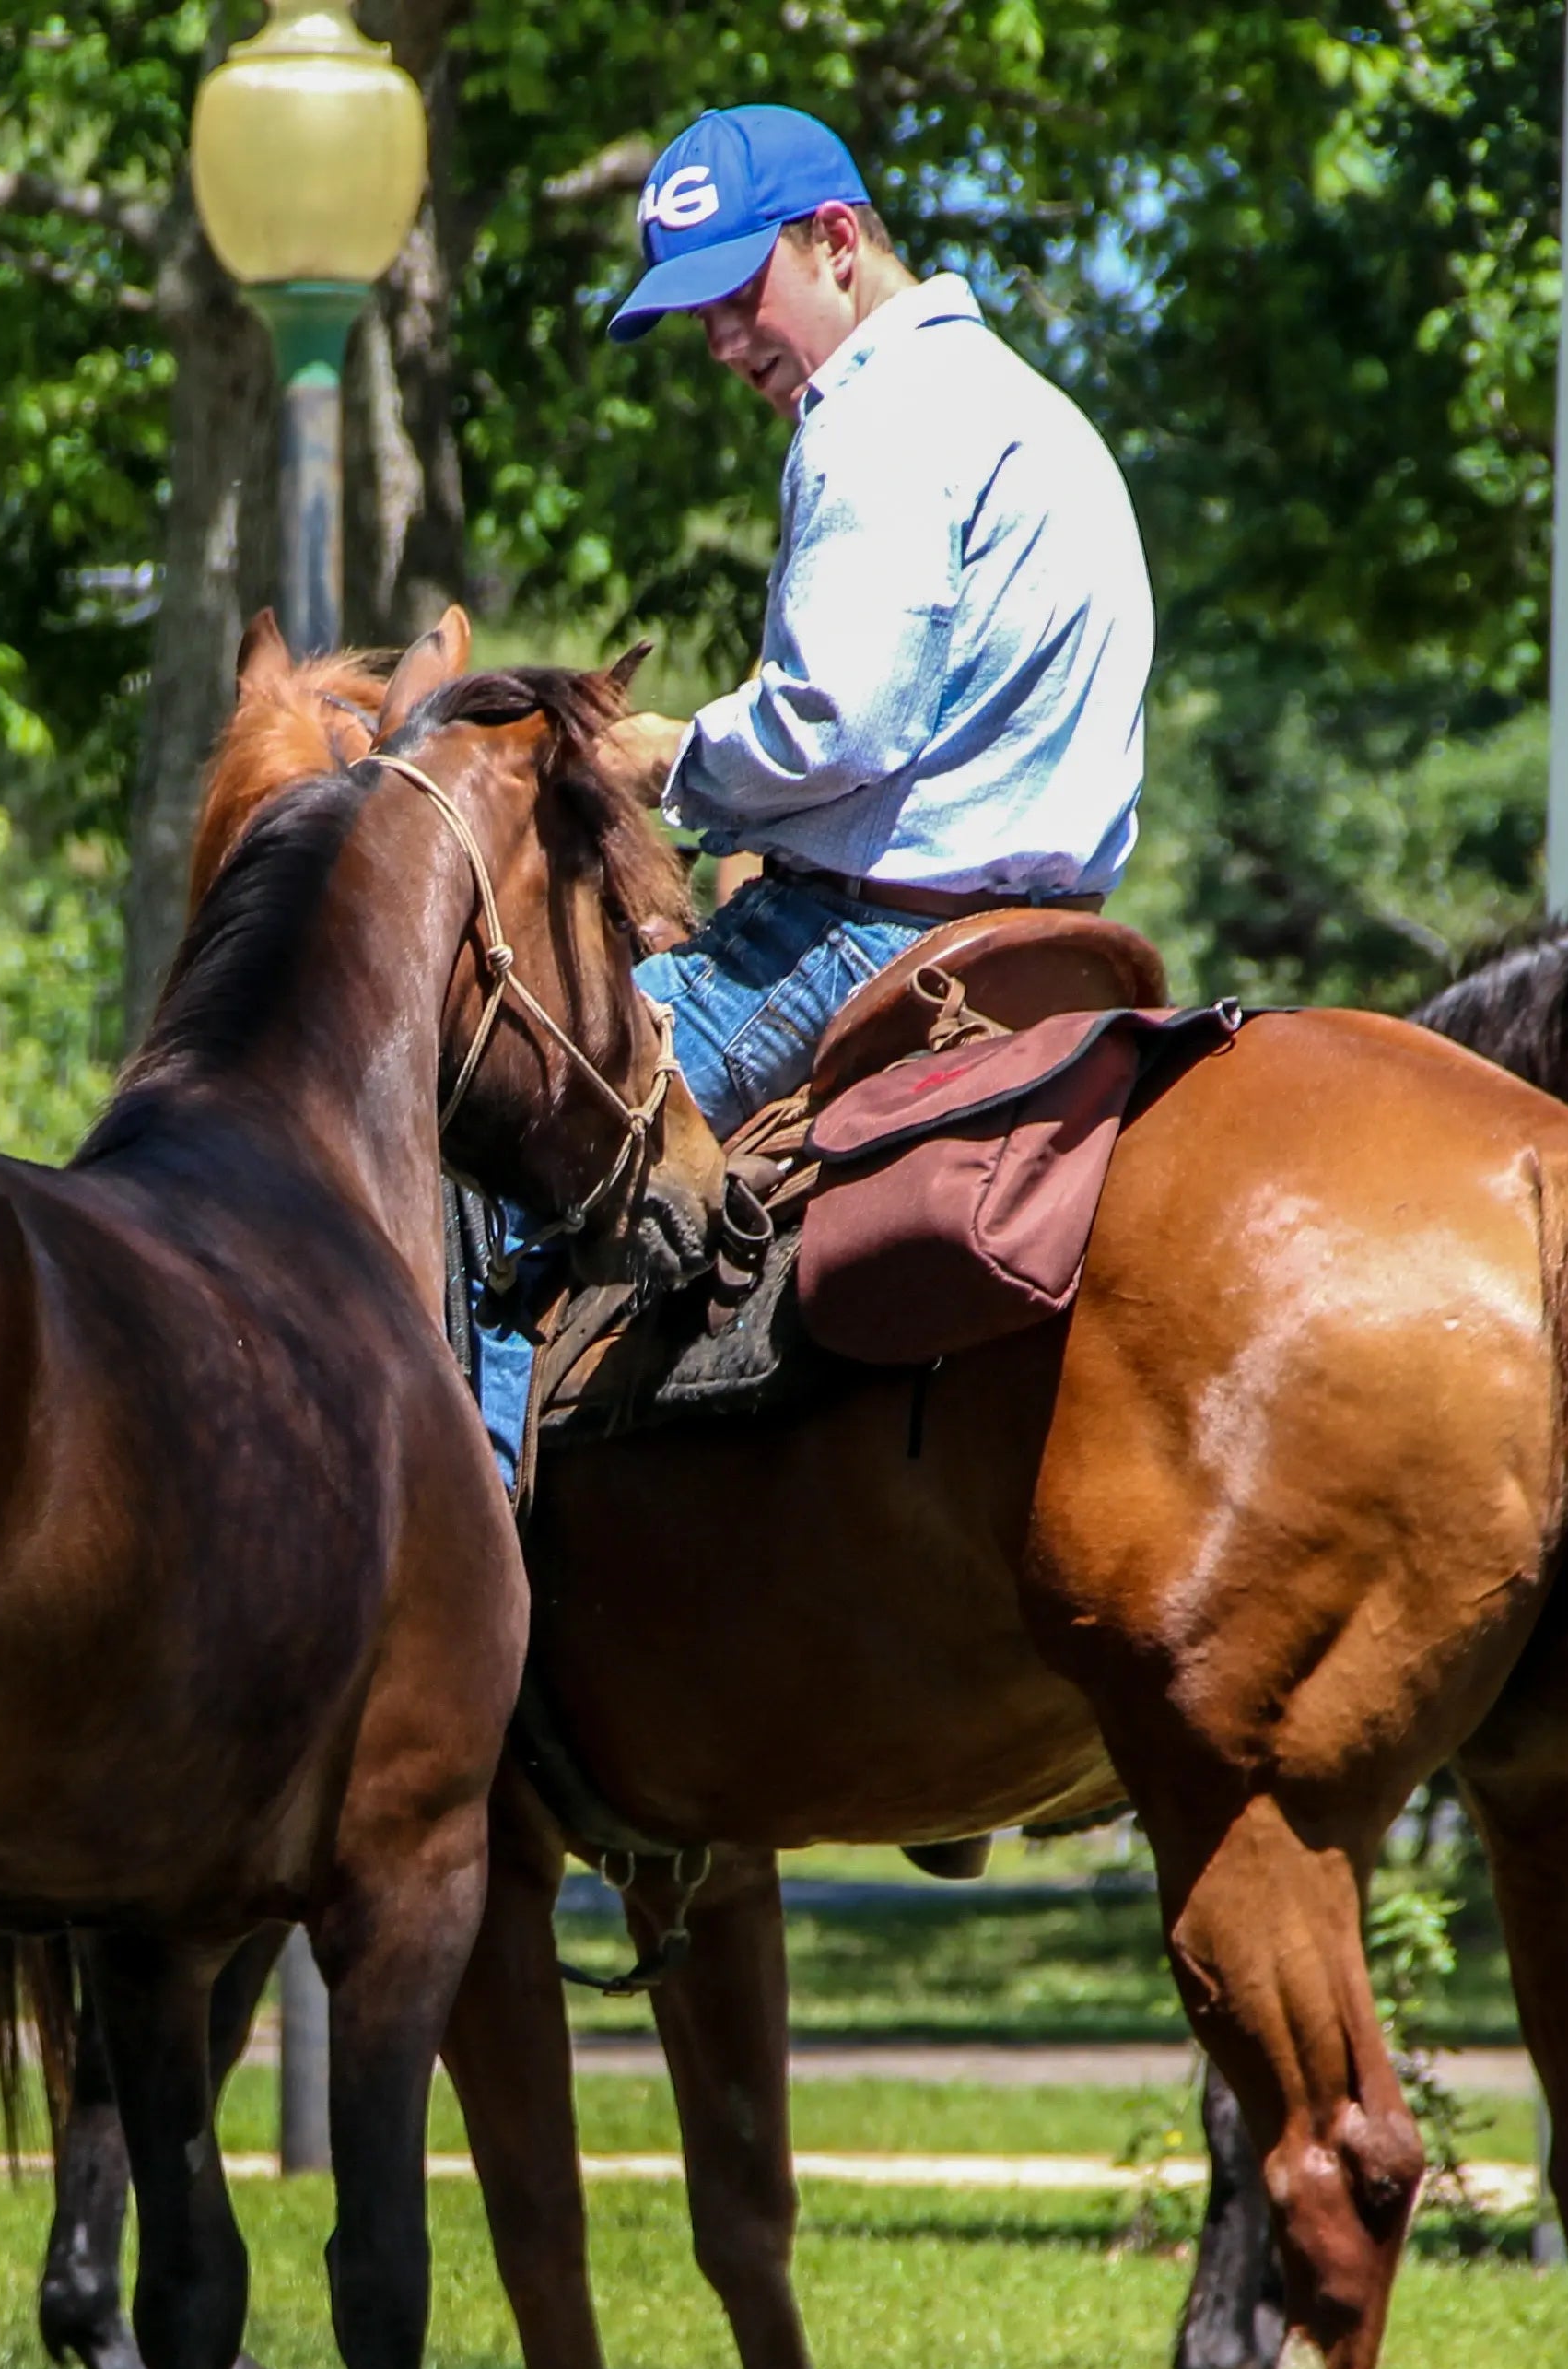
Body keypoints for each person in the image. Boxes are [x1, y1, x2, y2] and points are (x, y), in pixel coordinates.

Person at [473, 102, 1154, 1483]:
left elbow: (833, 728)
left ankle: (472, 1543)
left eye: (737, 296)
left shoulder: (875, 419)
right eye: (700, 319)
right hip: (1056, 937)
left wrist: (665, 759)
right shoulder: (1036, 410)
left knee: (483, 1125)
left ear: (835, 241)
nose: (725, 344)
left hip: (859, 944)